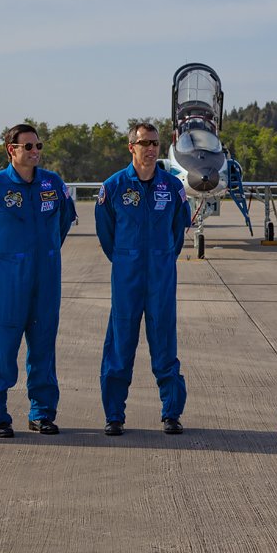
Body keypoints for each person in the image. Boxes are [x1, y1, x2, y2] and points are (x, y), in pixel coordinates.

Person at [0, 124, 76, 438]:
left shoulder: (53, 184)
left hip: (46, 278)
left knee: (43, 346)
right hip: (7, 280)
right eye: (28, 146)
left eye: (38, 145)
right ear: (11, 150)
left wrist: (49, 253)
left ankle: (41, 413)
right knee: (2, 346)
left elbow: (64, 220)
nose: (35, 151)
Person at [95, 122, 191, 436]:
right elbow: (106, 234)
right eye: (143, 143)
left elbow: (178, 232)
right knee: (120, 347)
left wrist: (162, 257)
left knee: (165, 346)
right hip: (127, 280)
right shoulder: (113, 187)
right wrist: (127, 259)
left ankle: (171, 413)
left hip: (162, 279)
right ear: (131, 147)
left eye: (154, 143)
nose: (150, 149)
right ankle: (114, 415)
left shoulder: (173, 187)